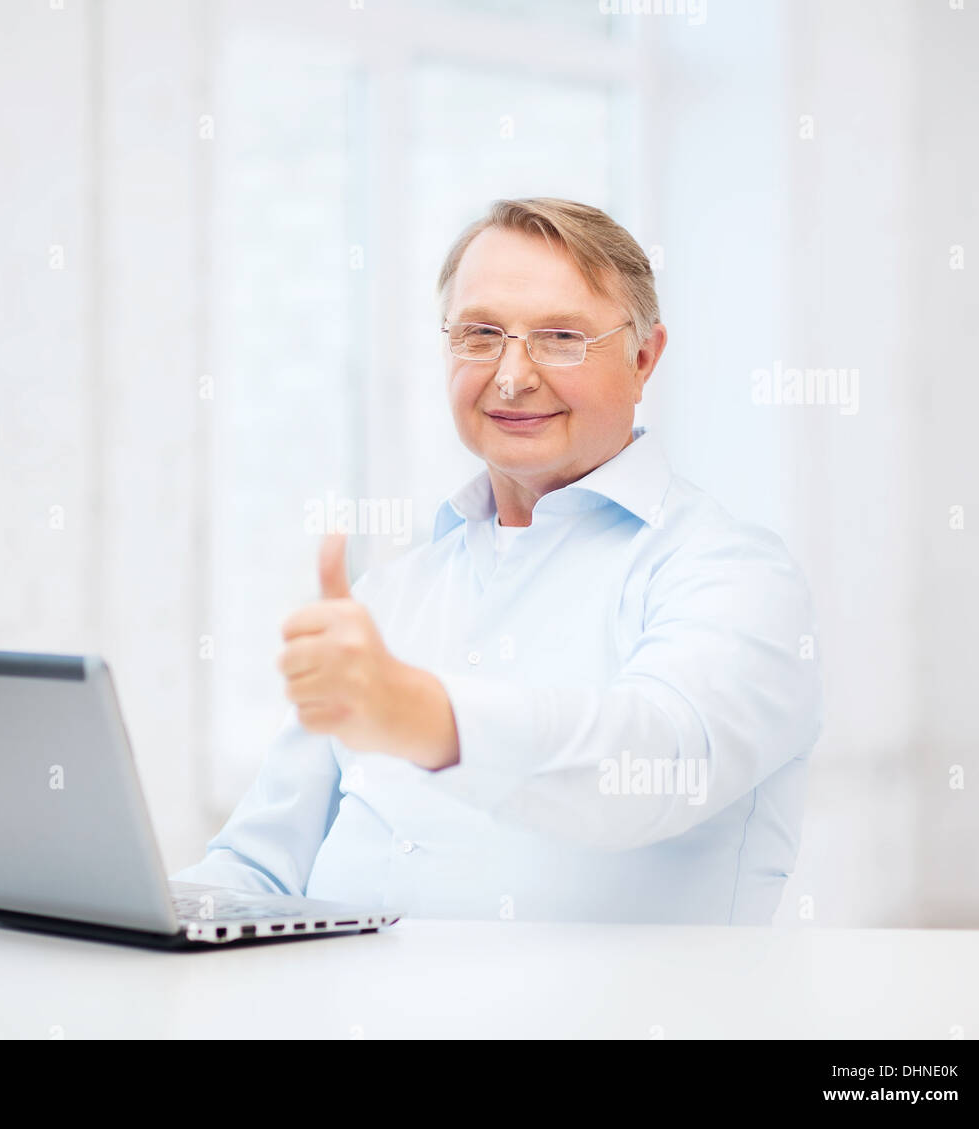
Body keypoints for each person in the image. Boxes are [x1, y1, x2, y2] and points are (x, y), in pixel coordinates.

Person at [172, 197, 823, 924]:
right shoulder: (394, 592)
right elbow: (260, 865)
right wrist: (109, 908)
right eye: (481, 334)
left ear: (644, 358)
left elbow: (658, 764)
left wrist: (424, 716)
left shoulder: (732, 572)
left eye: (560, 337)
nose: (511, 375)